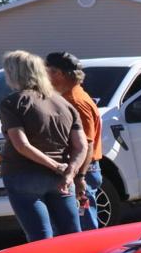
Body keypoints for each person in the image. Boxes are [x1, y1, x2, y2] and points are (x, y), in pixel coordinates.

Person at [0, 51, 86, 241]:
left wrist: (57, 167)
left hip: (23, 175)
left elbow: (21, 145)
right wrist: (69, 172)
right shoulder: (64, 104)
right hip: (61, 179)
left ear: (14, 74)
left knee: (41, 238)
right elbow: (81, 145)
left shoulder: (13, 102)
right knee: (72, 236)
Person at [42, 51, 103, 231]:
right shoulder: (69, 97)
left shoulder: (76, 101)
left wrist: (80, 176)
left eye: (47, 71)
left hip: (82, 169)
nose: (44, 76)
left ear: (58, 73)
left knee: (84, 224)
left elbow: (87, 143)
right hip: (77, 169)